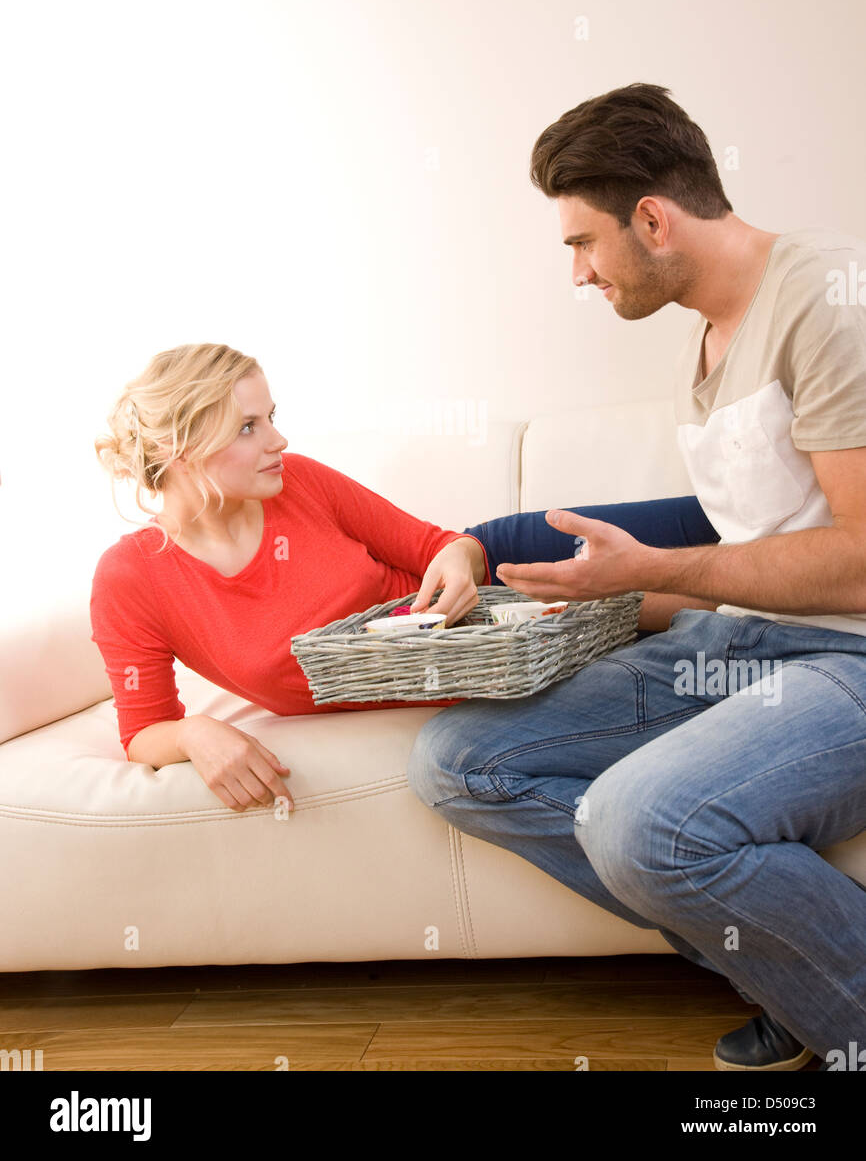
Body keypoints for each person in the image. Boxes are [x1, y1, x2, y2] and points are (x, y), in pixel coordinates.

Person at [406, 81, 866, 1073]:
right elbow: (745, 538)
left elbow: (860, 558)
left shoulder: (825, 296)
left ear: (650, 219)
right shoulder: (702, 346)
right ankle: (789, 972)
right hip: (742, 643)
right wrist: (543, 570)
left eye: (580, 242)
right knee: (455, 760)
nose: (576, 273)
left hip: (849, 659)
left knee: (638, 823)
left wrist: (656, 571)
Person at [90, 343, 714, 815]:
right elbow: (143, 732)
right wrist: (197, 732)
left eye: (271, 417)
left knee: (722, 519)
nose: (279, 439)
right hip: (506, 657)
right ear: (179, 449)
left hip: (510, 574)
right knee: (709, 612)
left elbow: (433, 544)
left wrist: (458, 560)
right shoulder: (133, 577)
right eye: (248, 428)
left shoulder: (300, 482)